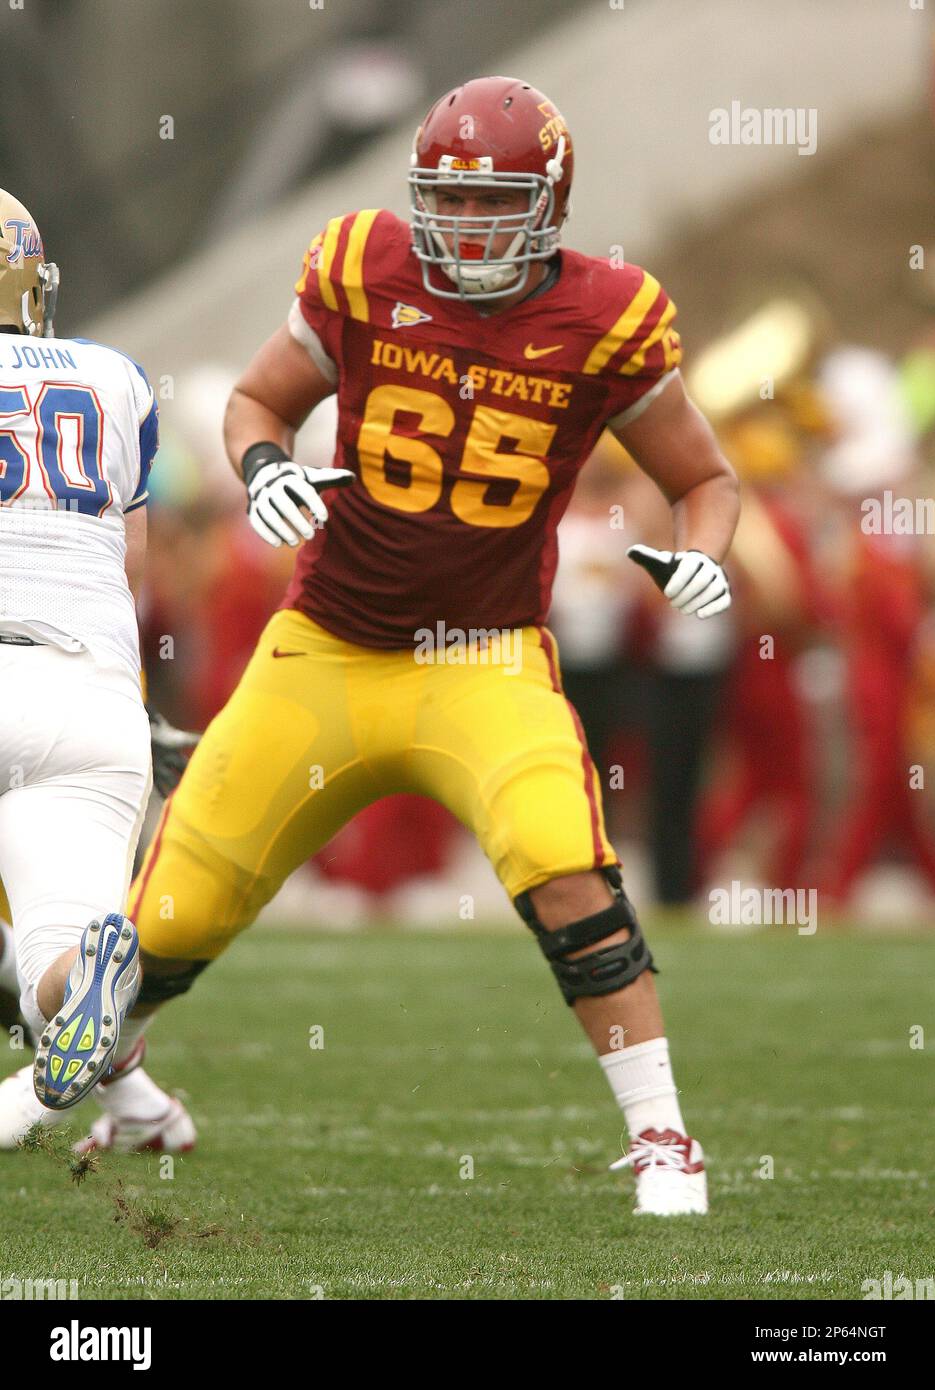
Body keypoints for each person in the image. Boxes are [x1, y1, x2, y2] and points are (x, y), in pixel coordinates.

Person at [116, 78, 738, 1213]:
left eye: (495, 204)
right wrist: (265, 470)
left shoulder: (607, 314)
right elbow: (258, 402)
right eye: (446, 203)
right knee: (176, 911)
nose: (465, 229)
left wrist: (706, 550)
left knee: (563, 863)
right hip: (329, 642)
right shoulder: (365, 266)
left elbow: (704, 476)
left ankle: (664, 1141)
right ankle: (103, 1077)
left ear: (549, 203)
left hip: (487, 657)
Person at [0, 190, 194, 1151]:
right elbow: (133, 569)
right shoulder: (114, 376)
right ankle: (86, 981)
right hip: (89, 692)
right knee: (49, 966)